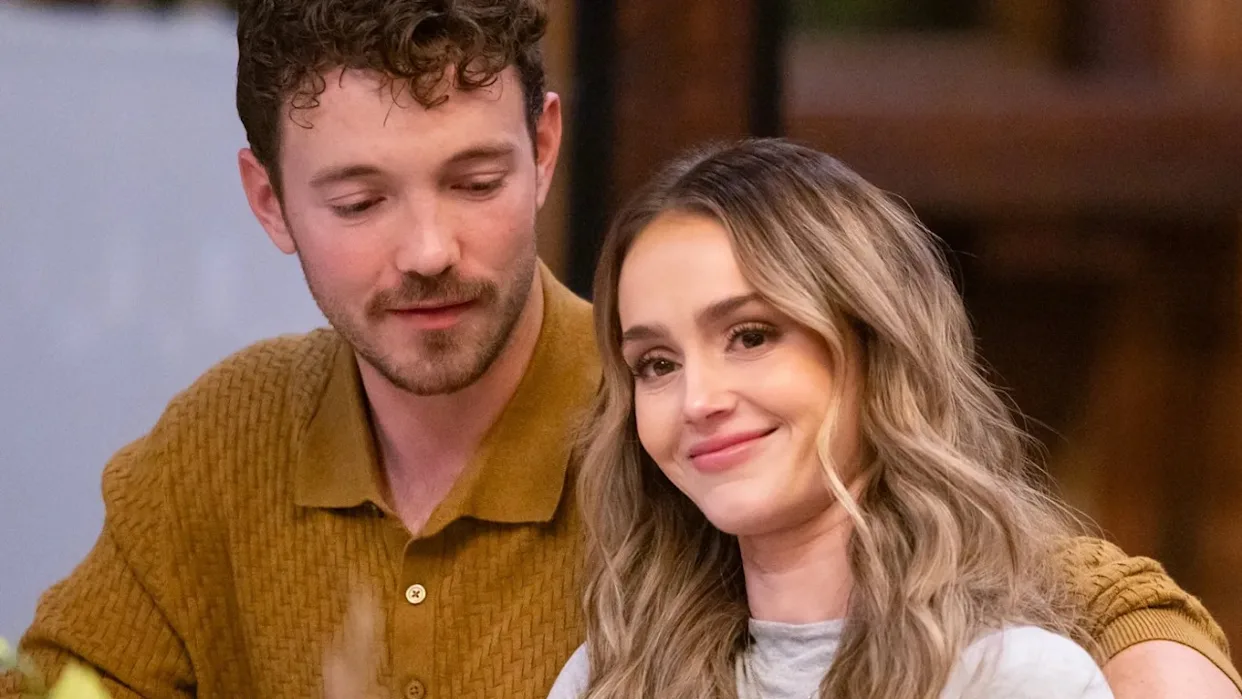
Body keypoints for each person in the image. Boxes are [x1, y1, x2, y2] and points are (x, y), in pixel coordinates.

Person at [0, 1, 1238, 698]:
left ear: (545, 148)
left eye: (475, 180)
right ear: (269, 202)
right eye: (360, 201)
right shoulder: (227, 438)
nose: (427, 249)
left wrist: (1141, 661)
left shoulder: (688, 425)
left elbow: (1037, 578)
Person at [548, 139, 1239, 699]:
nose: (698, 399)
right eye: (657, 364)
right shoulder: (608, 677)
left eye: (751, 336)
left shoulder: (1015, 679)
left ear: (875, 343)